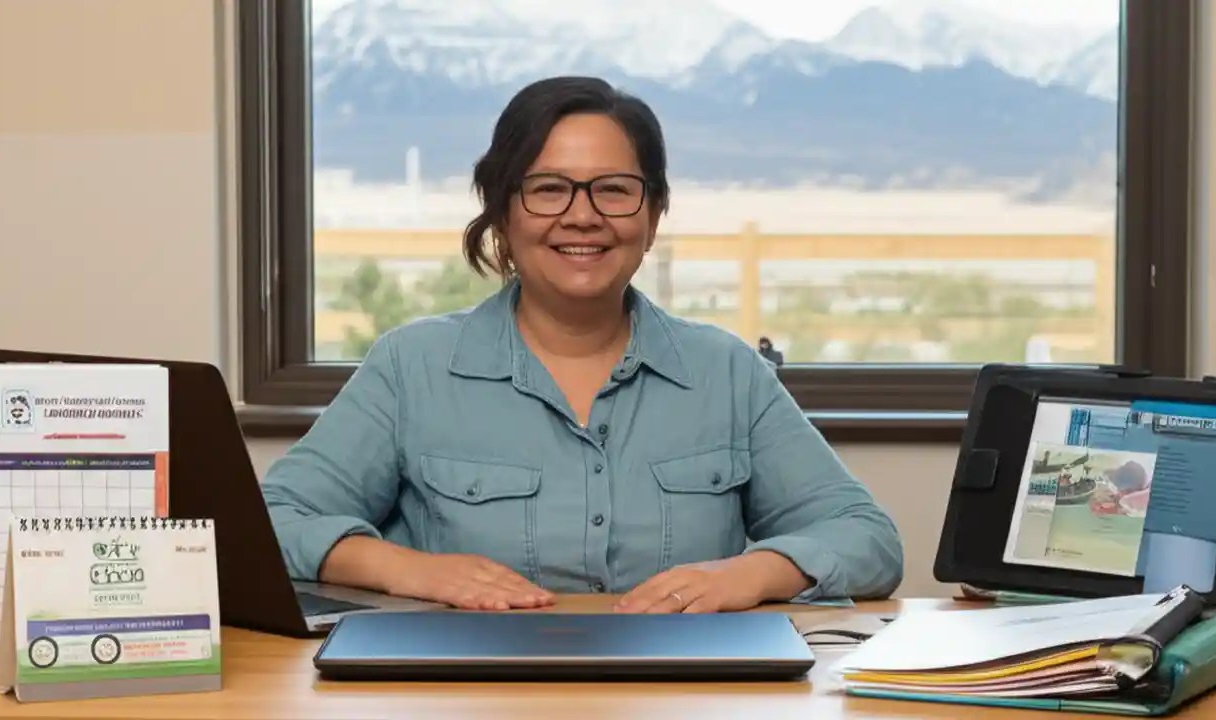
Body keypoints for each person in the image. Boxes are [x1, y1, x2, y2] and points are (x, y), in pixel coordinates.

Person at [261, 76, 903, 614]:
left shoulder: (726, 370)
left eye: (614, 189)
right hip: (467, 693)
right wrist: (407, 570)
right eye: (548, 189)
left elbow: (868, 540)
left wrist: (752, 575)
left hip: (687, 696)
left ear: (652, 218)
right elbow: (269, 520)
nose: (582, 215)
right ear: (502, 216)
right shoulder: (412, 366)